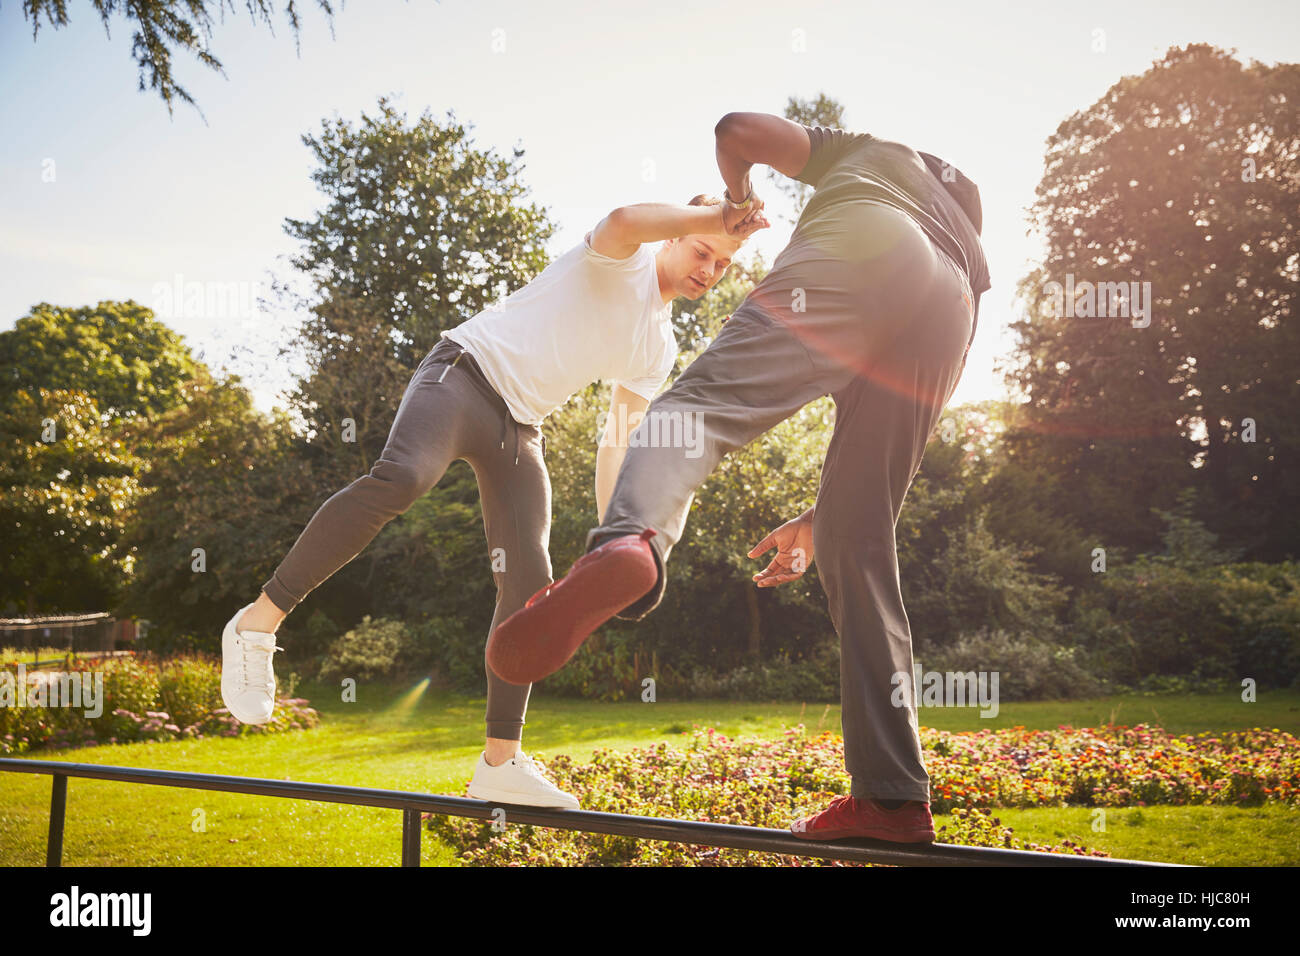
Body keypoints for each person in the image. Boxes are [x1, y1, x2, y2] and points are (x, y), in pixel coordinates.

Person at [488, 112, 991, 842]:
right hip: (952, 309)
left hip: (862, 239)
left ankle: (630, 540)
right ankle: (891, 800)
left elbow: (738, 129)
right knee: (861, 541)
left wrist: (738, 191)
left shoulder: (870, 157)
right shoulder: (968, 244)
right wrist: (825, 517)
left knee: (698, 409)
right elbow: (880, 474)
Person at [220, 194, 767, 808]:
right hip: (461, 375)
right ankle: (255, 624)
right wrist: (709, 216)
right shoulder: (625, 257)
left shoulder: (656, 348)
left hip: (519, 429)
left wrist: (620, 539)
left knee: (531, 578)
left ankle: (499, 764)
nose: (707, 269)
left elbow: (614, 445)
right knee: (403, 478)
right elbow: (620, 220)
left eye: (721, 264)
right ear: (675, 237)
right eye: (701, 250)